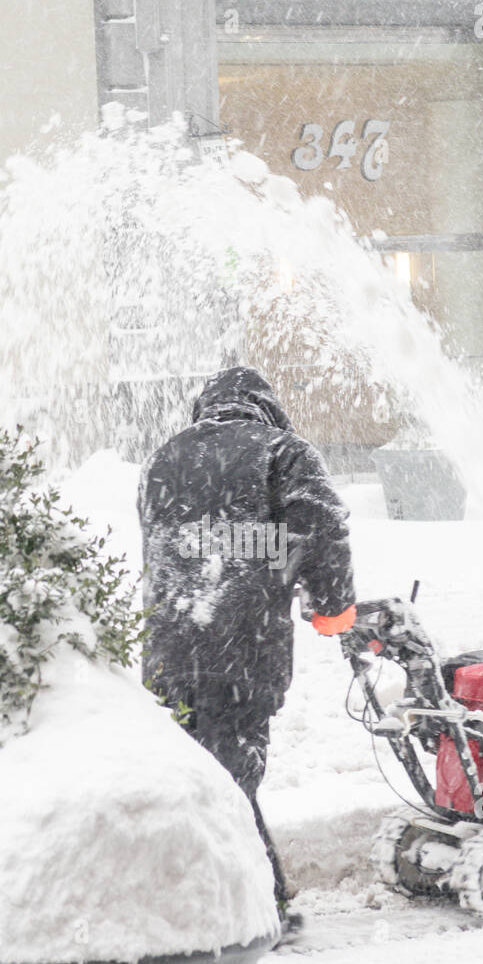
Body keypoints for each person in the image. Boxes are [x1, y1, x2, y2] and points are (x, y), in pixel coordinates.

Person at [137, 367, 356, 917]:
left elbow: (170, 548)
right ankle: (258, 905)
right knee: (232, 775)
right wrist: (332, 609)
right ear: (265, 407)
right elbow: (320, 530)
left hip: (169, 650)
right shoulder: (281, 452)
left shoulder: (164, 457)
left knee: (193, 773)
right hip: (242, 648)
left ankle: (188, 902)